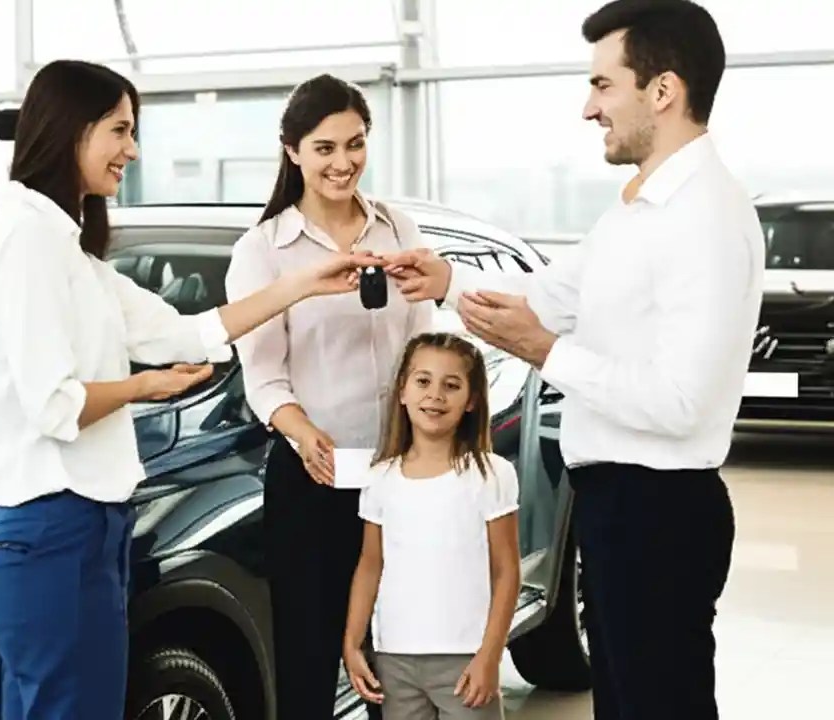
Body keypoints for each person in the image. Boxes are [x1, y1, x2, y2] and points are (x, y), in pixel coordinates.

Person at [0, 59, 383, 720]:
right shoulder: (25, 241)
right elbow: (54, 404)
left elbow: (187, 332)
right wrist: (143, 387)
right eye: (120, 130)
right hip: (52, 533)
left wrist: (301, 281)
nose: (133, 148)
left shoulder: (70, 252)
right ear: (73, 130)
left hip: (85, 528)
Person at [384, 2, 763, 718]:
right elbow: (549, 295)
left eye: (602, 85)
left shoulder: (706, 218)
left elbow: (682, 401)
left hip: (662, 510)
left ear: (662, 90)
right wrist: (447, 279)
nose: (589, 108)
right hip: (619, 506)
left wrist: (550, 353)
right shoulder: (634, 214)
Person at [224, 73, 435, 719]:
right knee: (310, 657)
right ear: (292, 151)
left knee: (401, 658)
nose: (343, 162)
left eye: (355, 144)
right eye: (324, 148)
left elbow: (420, 346)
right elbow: (263, 377)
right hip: (312, 478)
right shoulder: (264, 251)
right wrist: (301, 430)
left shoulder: (397, 227)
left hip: (400, 477)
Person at [342, 332, 521, 719]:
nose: (435, 395)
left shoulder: (491, 475)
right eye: (423, 381)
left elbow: (507, 572)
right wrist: (353, 642)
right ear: (402, 390)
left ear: (471, 401)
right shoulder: (379, 479)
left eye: (451, 385)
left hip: (466, 660)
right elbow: (371, 565)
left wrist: (490, 656)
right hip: (395, 659)